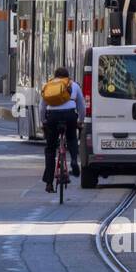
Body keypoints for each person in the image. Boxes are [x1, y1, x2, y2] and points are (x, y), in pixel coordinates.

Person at [40, 65, 85, 193]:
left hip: (52, 117)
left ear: (55, 76)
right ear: (67, 76)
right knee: (71, 138)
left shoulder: (48, 85)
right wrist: (80, 121)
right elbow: (81, 106)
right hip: (70, 115)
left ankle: (49, 183)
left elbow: (42, 107)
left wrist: (44, 122)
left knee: (50, 149)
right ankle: (75, 161)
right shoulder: (73, 85)